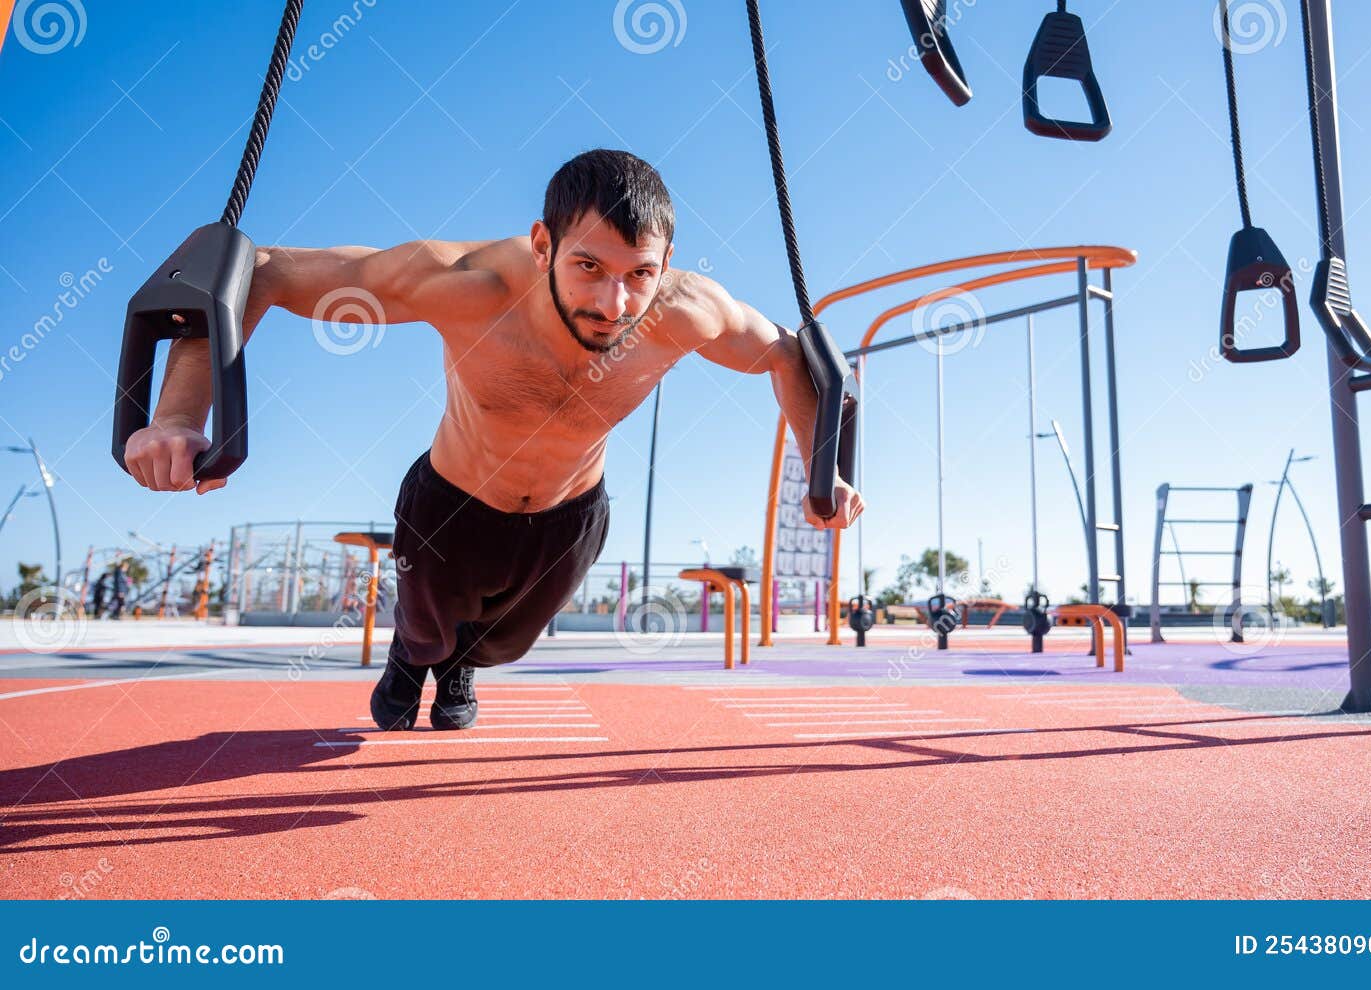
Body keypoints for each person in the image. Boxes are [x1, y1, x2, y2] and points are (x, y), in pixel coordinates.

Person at [120, 149, 864, 731]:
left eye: (641, 273)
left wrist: (821, 471)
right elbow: (263, 271)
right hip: (450, 503)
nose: (615, 302)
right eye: (589, 267)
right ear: (542, 244)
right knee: (426, 627)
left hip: (570, 515)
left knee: (505, 646)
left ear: (667, 263)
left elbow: (788, 354)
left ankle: (463, 665)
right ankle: (413, 661)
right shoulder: (465, 283)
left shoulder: (688, 310)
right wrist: (181, 413)